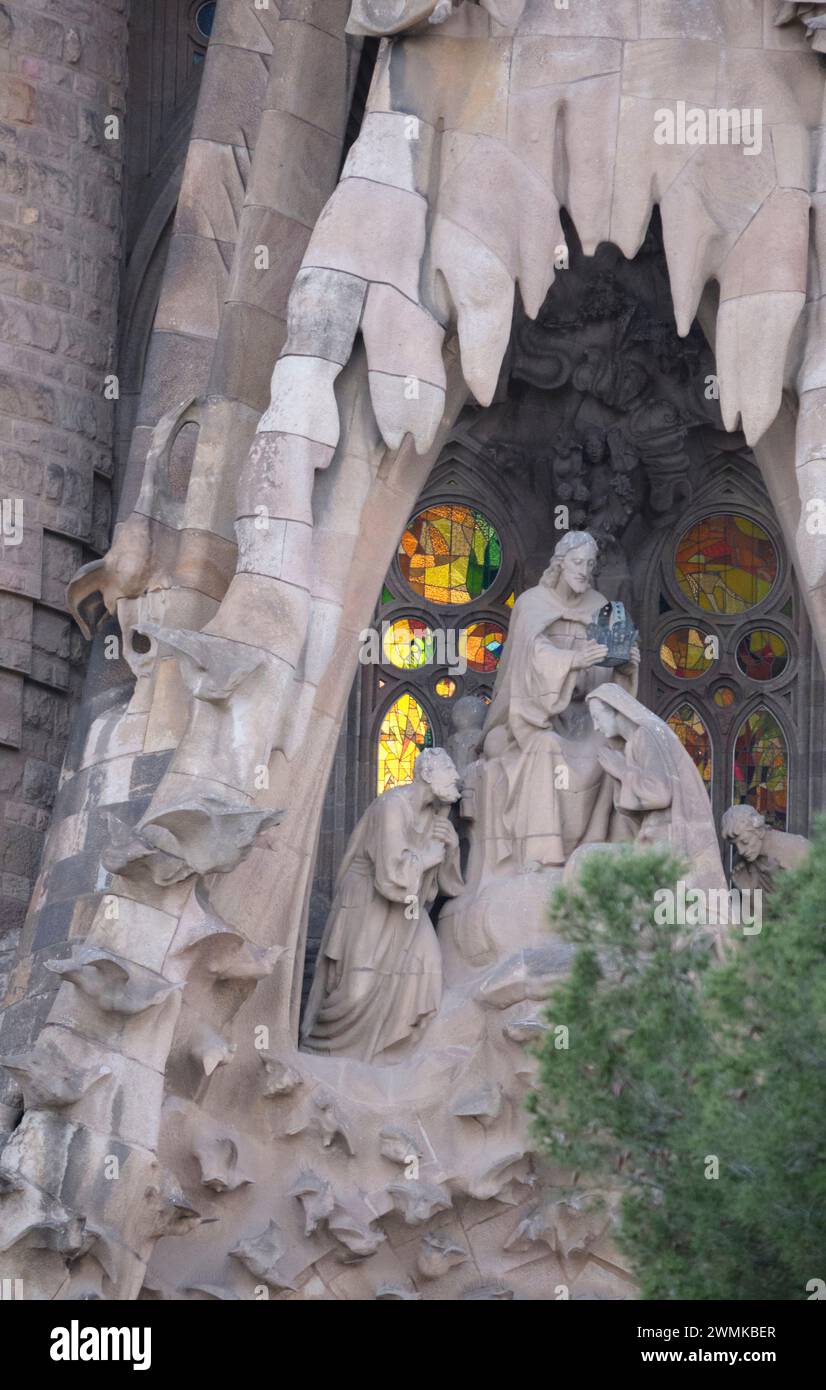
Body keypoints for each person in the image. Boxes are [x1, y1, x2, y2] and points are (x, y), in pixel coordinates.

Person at [480, 530, 639, 868]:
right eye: (578, 562)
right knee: (546, 747)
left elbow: (604, 683)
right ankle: (544, 854)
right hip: (530, 718)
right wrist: (572, 660)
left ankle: (593, 851)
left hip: (582, 716)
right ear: (560, 563)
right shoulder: (532, 605)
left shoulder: (600, 608)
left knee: (609, 748)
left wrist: (622, 665)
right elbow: (530, 661)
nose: (584, 570)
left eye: (591, 564)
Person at [301, 748, 463, 1063]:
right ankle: (319, 1051)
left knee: (427, 966)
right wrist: (427, 855)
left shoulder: (433, 817)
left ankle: (395, 1054)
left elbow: (445, 884)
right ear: (427, 774)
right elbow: (390, 875)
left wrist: (451, 846)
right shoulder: (392, 806)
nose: (456, 776)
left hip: (409, 906)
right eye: (448, 769)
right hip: (368, 901)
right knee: (358, 991)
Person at [585, 683, 727, 894]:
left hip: (670, 839)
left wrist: (622, 770)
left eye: (597, 717)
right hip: (657, 835)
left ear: (615, 709)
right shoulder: (633, 742)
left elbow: (659, 794)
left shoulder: (647, 734)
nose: (596, 727)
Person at [721, 803, 809, 895]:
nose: (741, 851)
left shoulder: (796, 849)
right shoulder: (740, 864)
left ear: (759, 831)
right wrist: (748, 889)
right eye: (735, 845)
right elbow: (754, 908)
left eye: (745, 842)